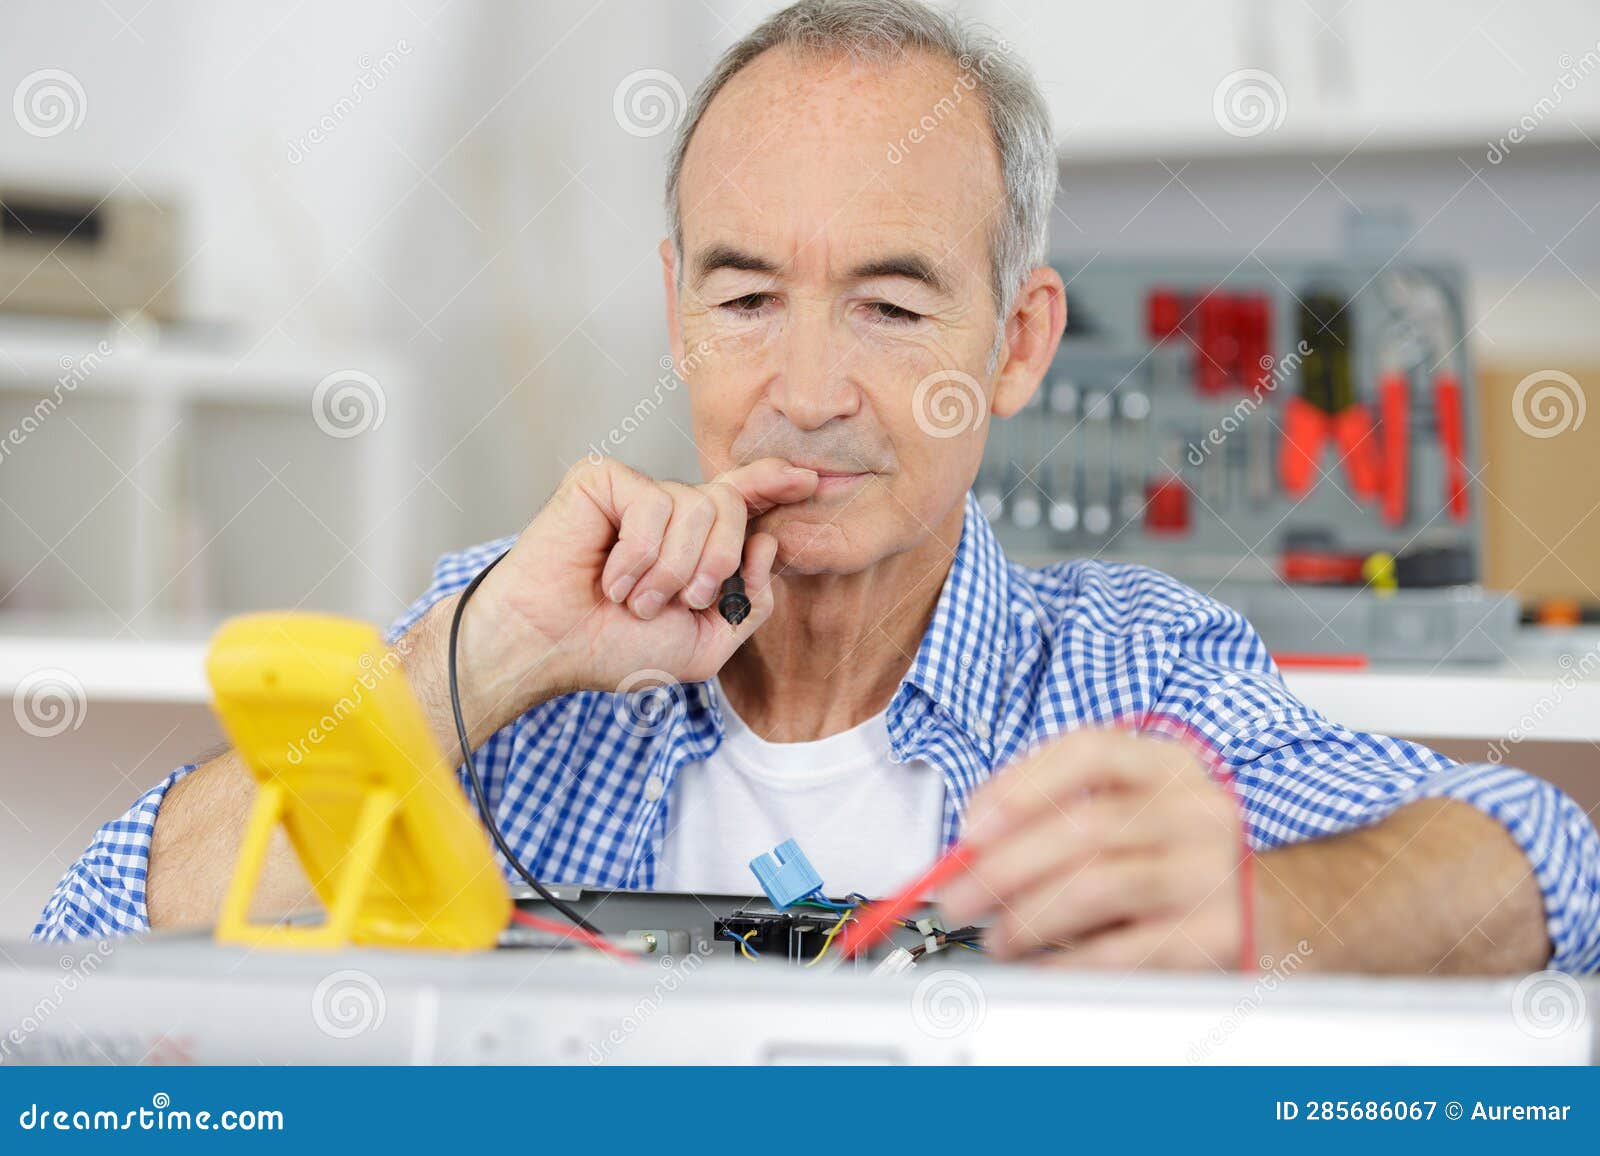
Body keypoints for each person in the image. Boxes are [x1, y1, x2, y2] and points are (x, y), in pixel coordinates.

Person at [36, 0, 1599, 973]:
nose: (803, 389)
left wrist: (1272, 915)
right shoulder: (519, 651)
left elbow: (1548, 868)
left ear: (1019, 340)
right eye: (743, 299)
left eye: (892, 304)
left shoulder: (1129, 674)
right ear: (675, 314)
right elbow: (99, 926)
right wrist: (483, 660)